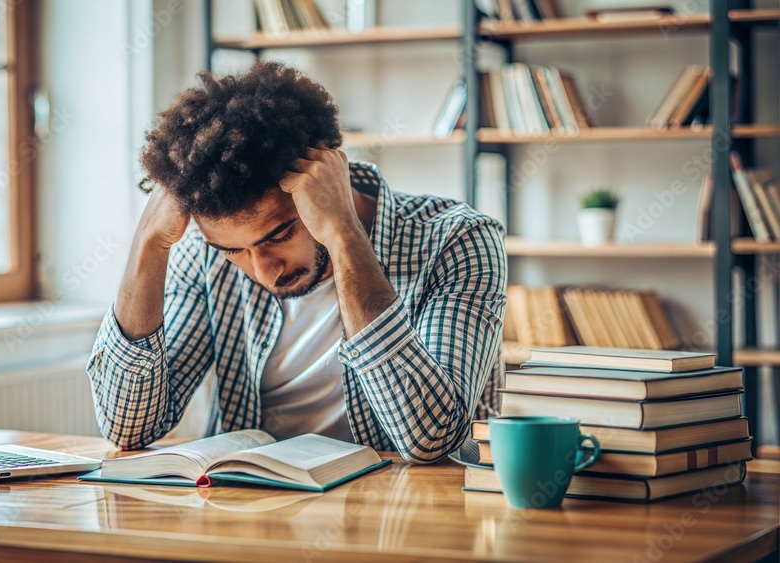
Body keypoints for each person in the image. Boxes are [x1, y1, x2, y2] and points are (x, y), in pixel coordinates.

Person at [87, 60, 507, 464]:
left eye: (279, 235)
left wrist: (343, 234)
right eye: (233, 251)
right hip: (250, 513)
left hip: (403, 514)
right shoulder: (202, 255)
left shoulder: (457, 240)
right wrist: (148, 245)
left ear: (324, 179)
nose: (263, 271)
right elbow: (128, 428)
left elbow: (431, 438)